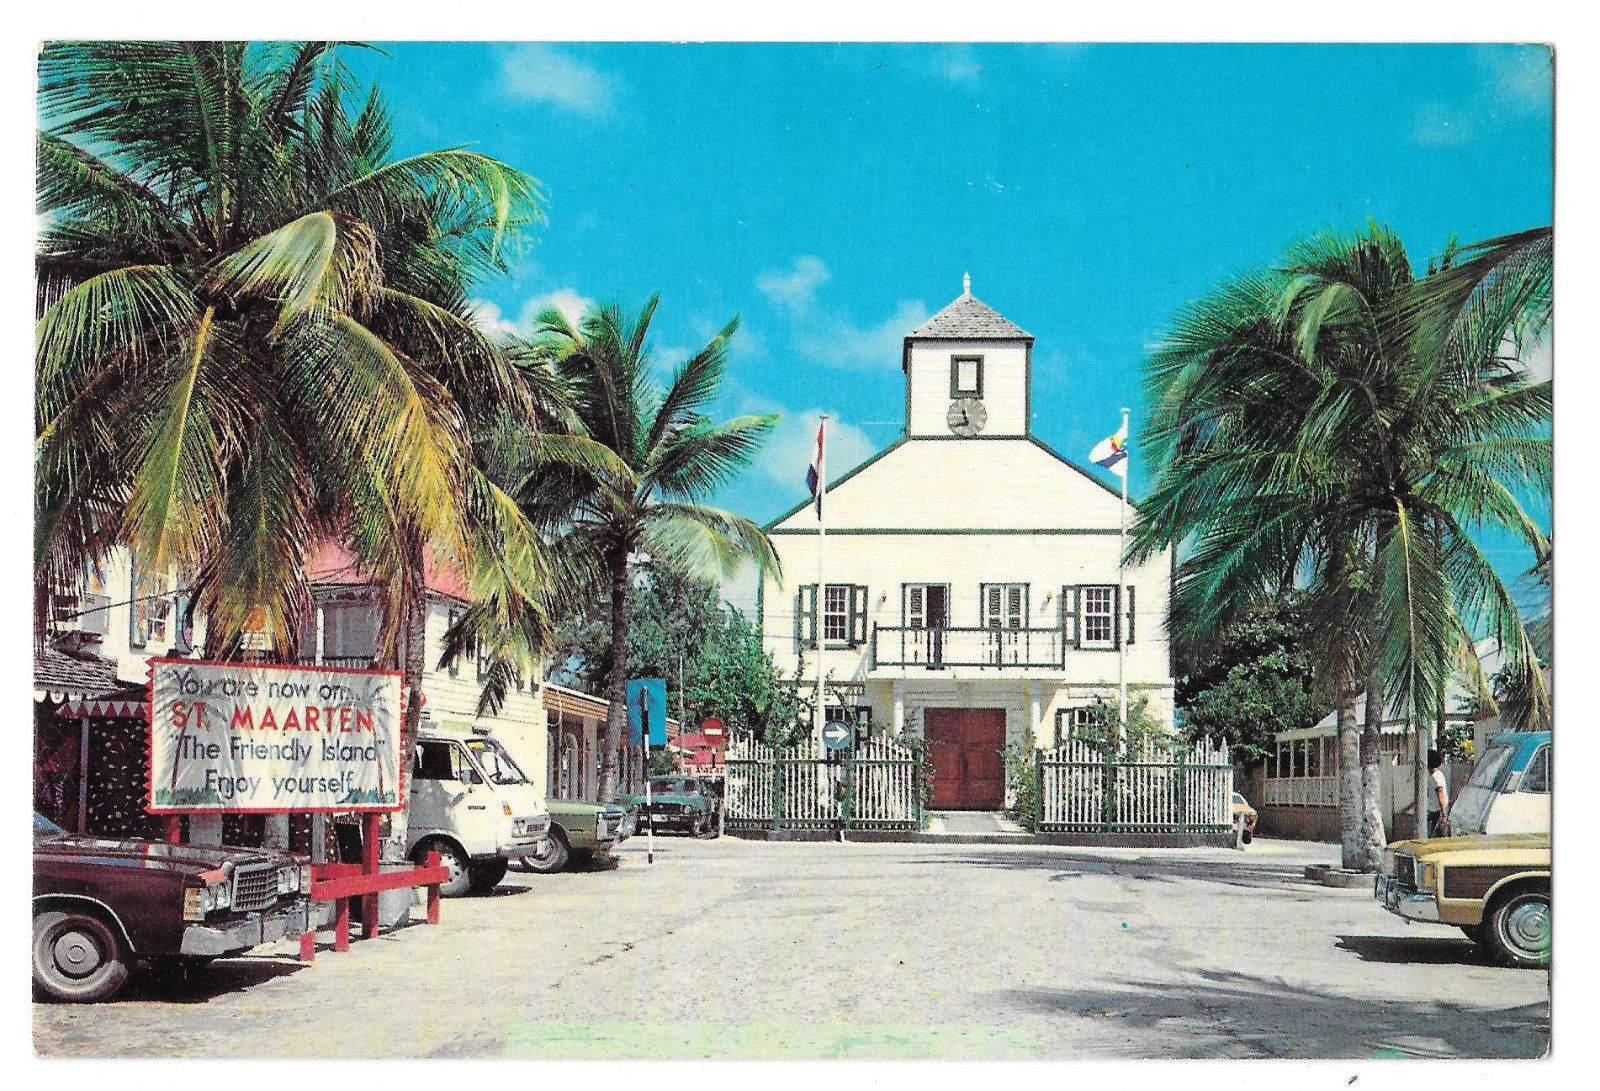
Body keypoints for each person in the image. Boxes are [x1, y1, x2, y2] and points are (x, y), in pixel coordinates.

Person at [1427, 748, 1451, 838]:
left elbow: (1440, 795)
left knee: (1436, 837)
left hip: (1438, 812)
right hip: (1436, 811)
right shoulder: (1438, 774)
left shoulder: (1434, 777)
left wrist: (1444, 815)